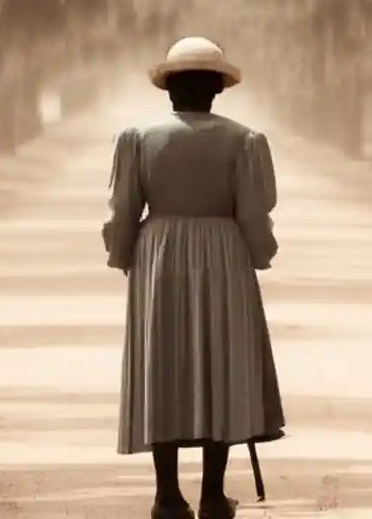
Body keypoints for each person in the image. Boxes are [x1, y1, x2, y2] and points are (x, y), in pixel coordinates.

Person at [103, 37, 286, 519]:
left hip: (159, 258)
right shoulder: (245, 141)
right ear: (218, 90)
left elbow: (124, 211)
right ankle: (211, 495)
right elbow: (253, 212)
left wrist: (124, 255)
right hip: (223, 255)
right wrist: (260, 256)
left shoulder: (138, 139)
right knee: (219, 367)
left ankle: (166, 496)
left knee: (164, 367)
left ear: (169, 91)